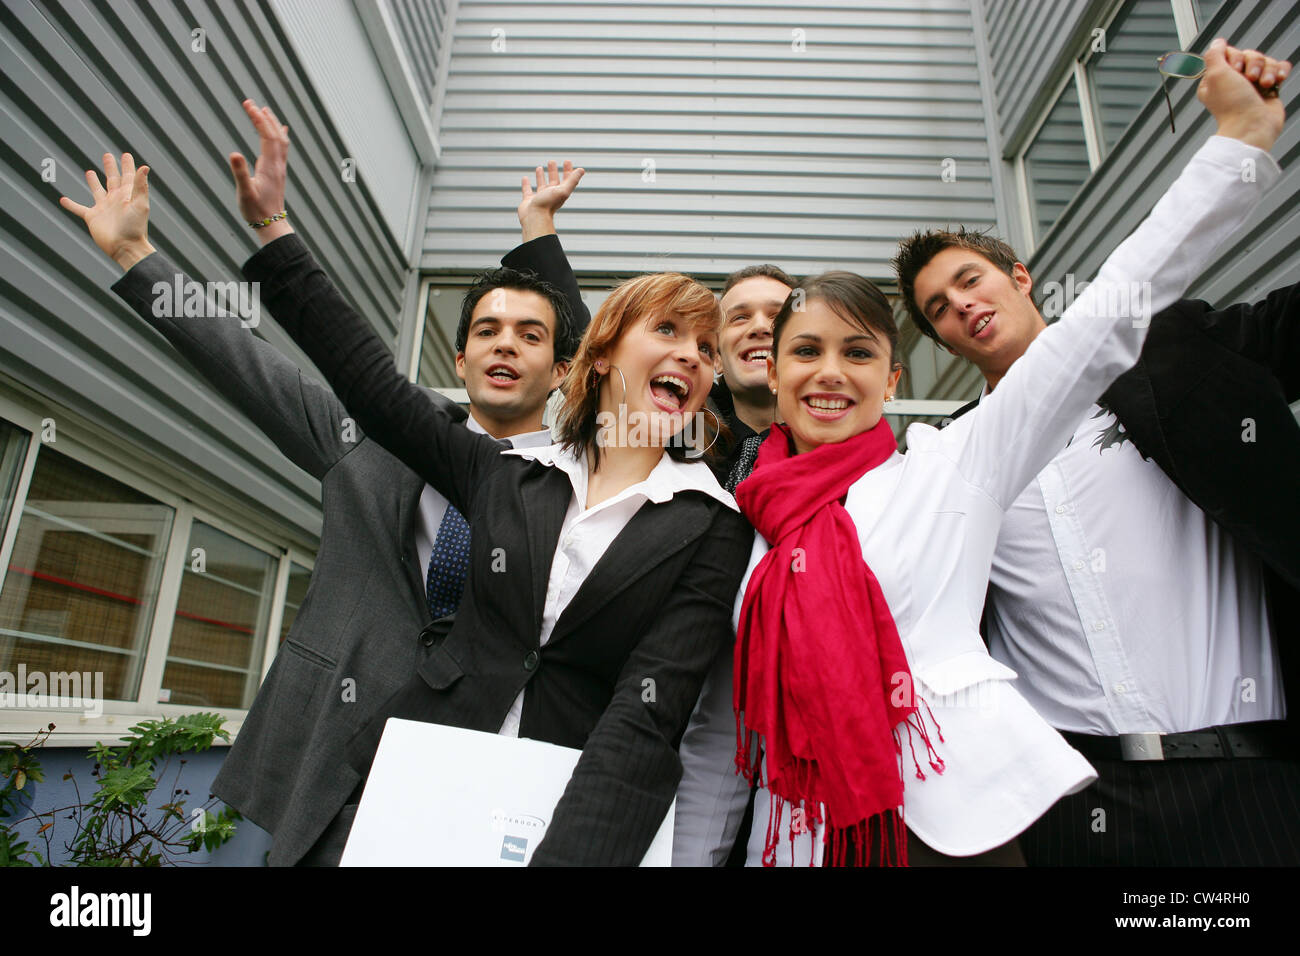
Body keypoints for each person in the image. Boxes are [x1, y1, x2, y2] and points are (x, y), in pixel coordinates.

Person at [672, 37, 1285, 866]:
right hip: (802, 845)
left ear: (891, 380)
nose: (828, 373)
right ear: (769, 374)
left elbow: (1106, 318)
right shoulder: (737, 525)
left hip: (967, 831)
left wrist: (1236, 146)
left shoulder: (950, 463)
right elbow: (721, 735)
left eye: (857, 354)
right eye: (805, 351)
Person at [57, 101, 590, 866]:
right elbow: (250, 367)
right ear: (463, 358)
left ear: (562, 370)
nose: (505, 345)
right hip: (332, 752)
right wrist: (137, 255)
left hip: (481, 774)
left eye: (530, 335)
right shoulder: (375, 441)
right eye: (485, 331)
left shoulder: (581, 486)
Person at [225, 104, 753, 865]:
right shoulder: (507, 473)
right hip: (407, 786)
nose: (694, 355)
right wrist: (274, 225)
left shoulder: (713, 525)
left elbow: (649, 716)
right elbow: (371, 382)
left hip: (559, 813)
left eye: (706, 347)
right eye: (667, 332)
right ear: (600, 358)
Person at [891, 63, 1299, 863]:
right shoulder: (952, 458)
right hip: (1079, 807)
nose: (960, 306)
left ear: (1018, 276)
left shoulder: (1176, 350)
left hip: (1255, 785)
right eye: (938, 309)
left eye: (968, 280)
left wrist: (1245, 133)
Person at [710, 265, 795, 485]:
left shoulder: (856, 464)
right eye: (739, 317)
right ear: (716, 358)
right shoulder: (674, 451)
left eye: (778, 317)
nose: (760, 327)